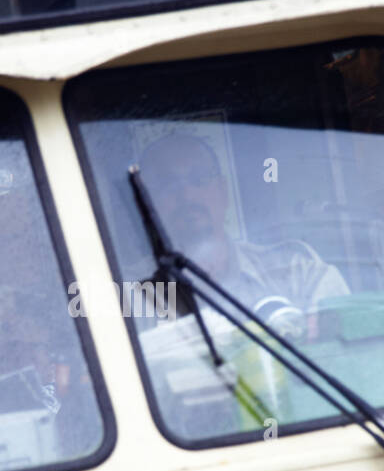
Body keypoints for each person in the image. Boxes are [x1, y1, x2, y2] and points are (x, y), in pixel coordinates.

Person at [137, 133, 350, 333]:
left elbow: (346, 351)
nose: (186, 194)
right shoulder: (132, 292)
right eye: (167, 184)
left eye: (199, 178)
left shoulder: (296, 271)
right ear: (149, 204)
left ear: (223, 191)